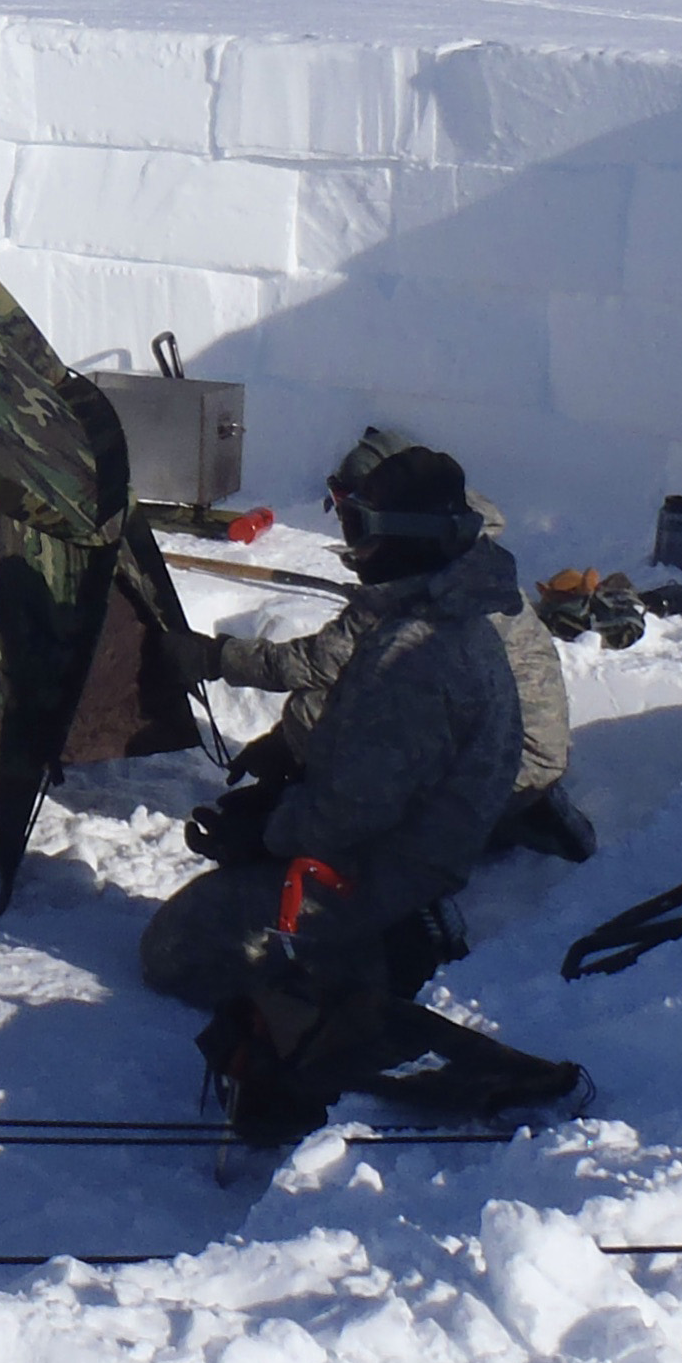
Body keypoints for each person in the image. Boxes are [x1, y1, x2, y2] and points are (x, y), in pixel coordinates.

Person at [139, 443, 526, 1029]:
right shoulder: (442, 611)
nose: (353, 551)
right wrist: (283, 791)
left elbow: (351, 812)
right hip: (418, 836)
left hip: (391, 869)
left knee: (176, 946)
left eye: (360, 530)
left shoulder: (413, 654)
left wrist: (267, 833)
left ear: (404, 538)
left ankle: (378, 957)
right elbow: (365, 759)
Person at [182, 429, 595, 869]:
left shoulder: (420, 580)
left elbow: (317, 665)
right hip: (527, 747)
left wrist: (216, 658)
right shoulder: (465, 553)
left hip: (508, 765)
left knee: (319, 710)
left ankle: (477, 823)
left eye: (356, 517)